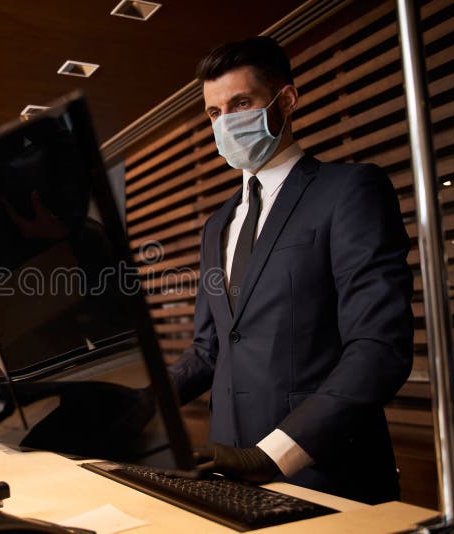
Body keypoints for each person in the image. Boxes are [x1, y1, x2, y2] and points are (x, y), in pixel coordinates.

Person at [168, 36, 414, 504]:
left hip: (326, 473)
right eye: (215, 113)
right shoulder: (217, 224)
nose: (226, 122)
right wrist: (140, 404)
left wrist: (275, 453)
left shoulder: (348, 190)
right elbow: (208, 349)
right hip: (227, 471)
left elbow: (379, 346)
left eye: (241, 103)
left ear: (287, 99)